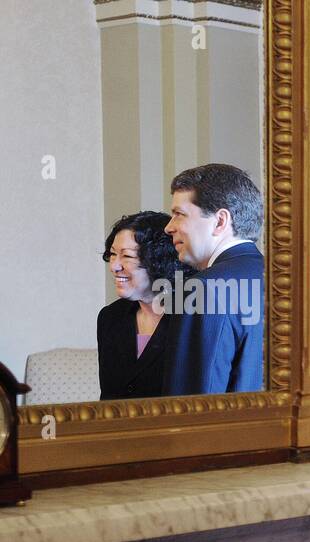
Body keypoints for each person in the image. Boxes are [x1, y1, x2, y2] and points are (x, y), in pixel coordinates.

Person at [161, 163, 265, 395]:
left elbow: (191, 404)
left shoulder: (203, 288)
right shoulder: (286, 280)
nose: (169, 227)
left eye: (179, 214)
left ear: (220, 221)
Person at [97, 212, 190, 400]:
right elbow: (107, 398)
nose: (114, 266)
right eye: (113, 254)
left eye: (127, 256)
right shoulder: (110, 317)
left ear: (158, 262)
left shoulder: (190, 319)